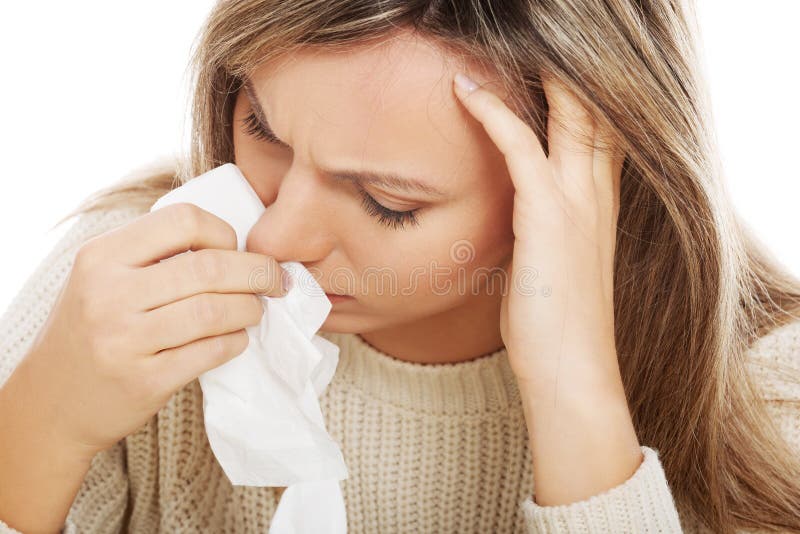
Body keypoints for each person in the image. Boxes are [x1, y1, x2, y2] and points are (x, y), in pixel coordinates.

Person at [2, 1, 799, 532]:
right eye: (263, 130)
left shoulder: (771, 390)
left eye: (387, 201)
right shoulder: (125, 287)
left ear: (592, 178)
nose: (278, 238)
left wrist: (575, 386)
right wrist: (46, 419)